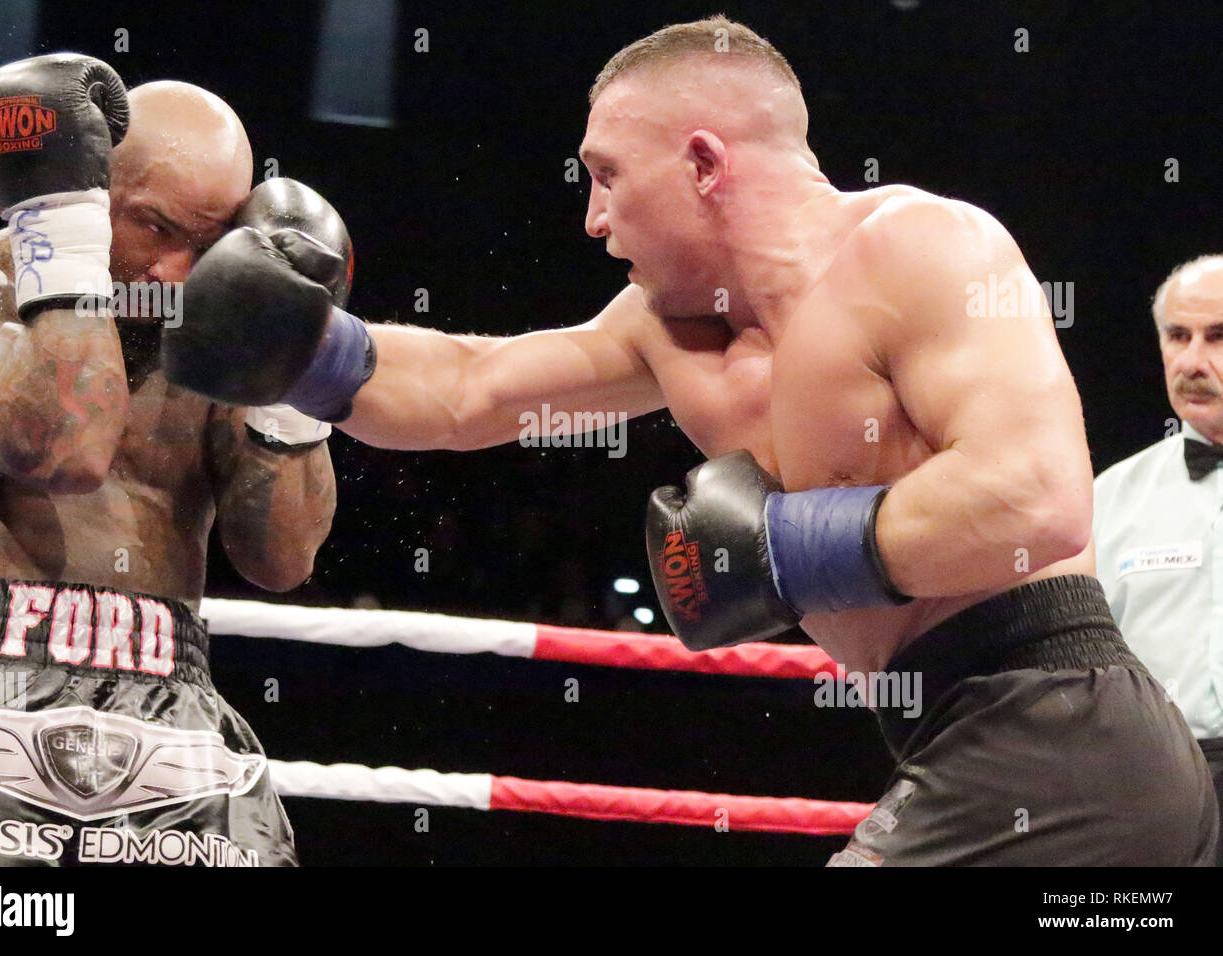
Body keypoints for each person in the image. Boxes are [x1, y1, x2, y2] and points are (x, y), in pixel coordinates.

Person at [164, 17, 1218, 864]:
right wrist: (302, 348)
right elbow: (467, 389)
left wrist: (782, 548)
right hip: (963, 734)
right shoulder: (666, 328)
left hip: (1063, 733)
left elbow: (1034, 501)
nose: (593, 219)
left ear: (705, 161)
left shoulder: (921, 248)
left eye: (608, 175)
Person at [0, 54, 342, 866]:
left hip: (171, 695)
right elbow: (66, 449)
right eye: (154, 226)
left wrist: (290, 359)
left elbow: (283, 558)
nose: (174, 273)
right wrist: (67, 245)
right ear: (85, 187)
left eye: (209, 243)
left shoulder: (210, 328)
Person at [1094, 254, 1223, 866]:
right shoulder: (1106, 499)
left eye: (1219, 336)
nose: (1193, 361)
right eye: (1178, 336)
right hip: (1155, 789)